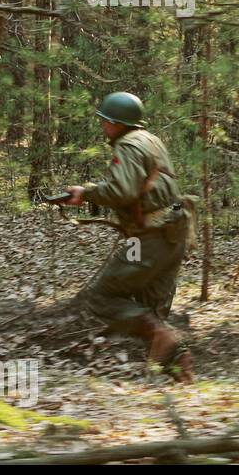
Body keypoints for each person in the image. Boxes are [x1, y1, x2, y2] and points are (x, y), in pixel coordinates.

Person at [61, 92, 195, 383]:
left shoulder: (128, 145)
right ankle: (180, 373)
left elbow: (122, 191)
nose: (102, 127)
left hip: (148, 238)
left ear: (114, 122)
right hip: (173, 235)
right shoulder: (150, 140)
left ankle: (163, 339)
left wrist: (86, 193)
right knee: (151, 308)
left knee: (102, 296)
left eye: (104, 121)